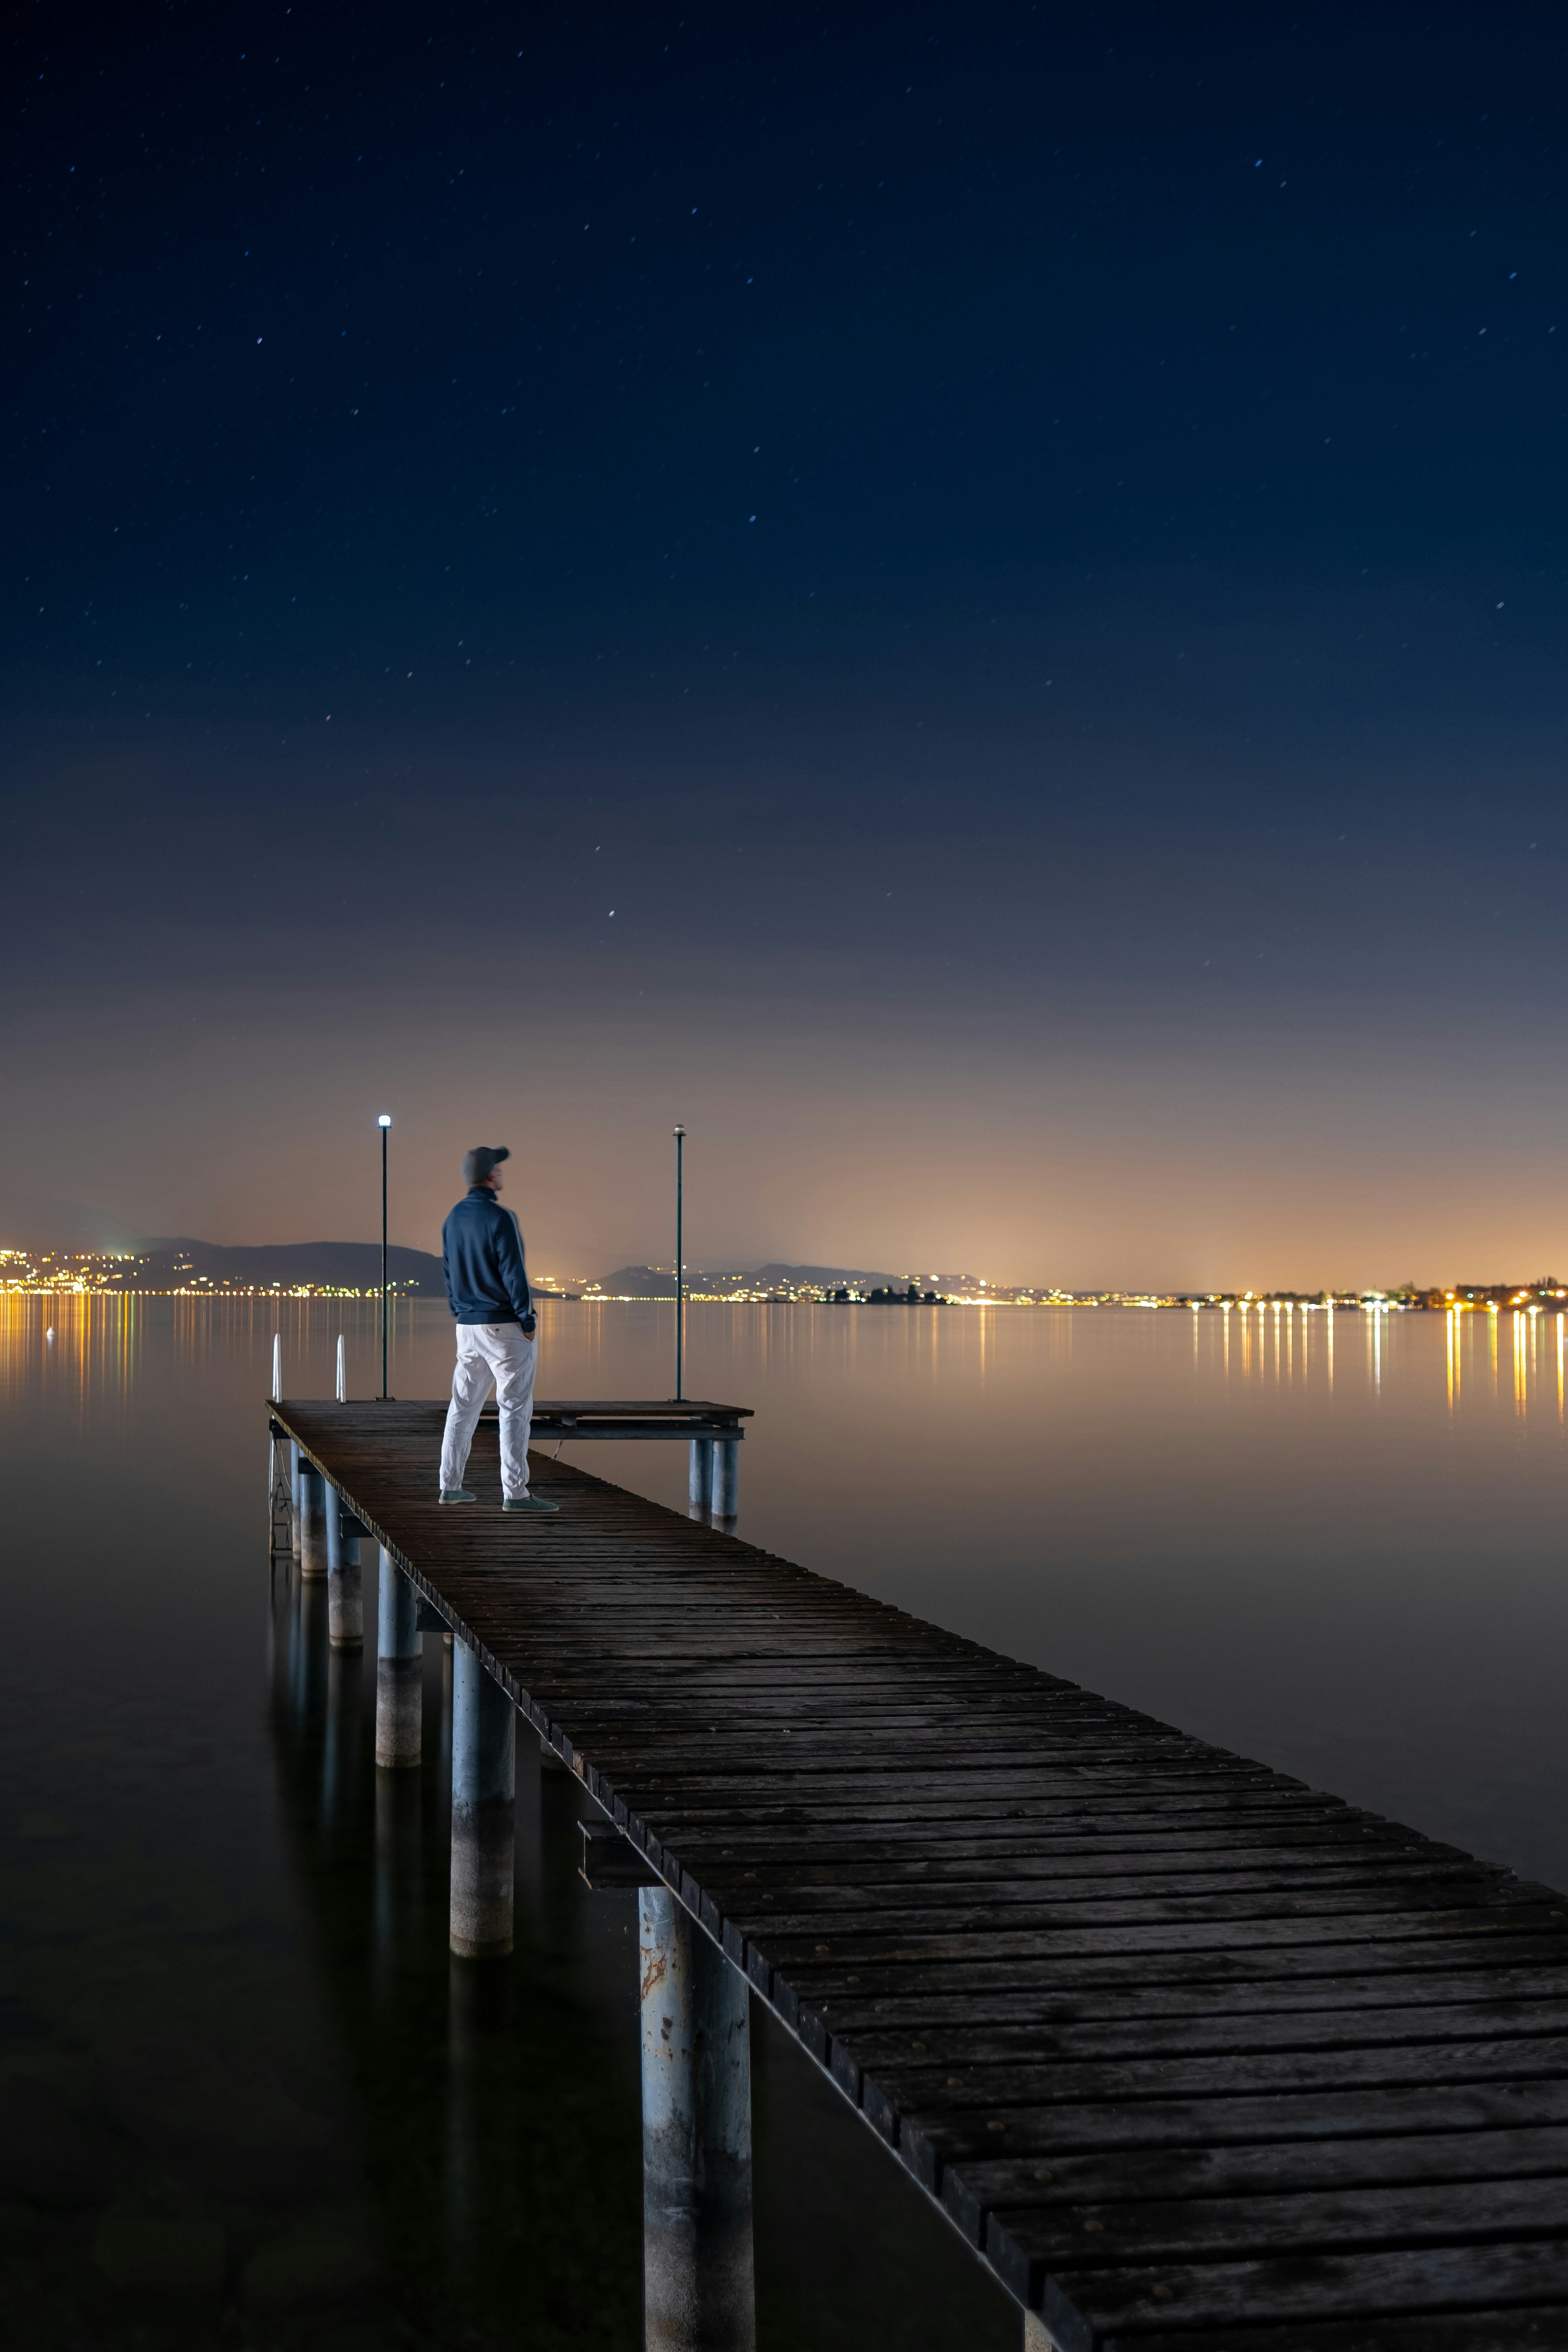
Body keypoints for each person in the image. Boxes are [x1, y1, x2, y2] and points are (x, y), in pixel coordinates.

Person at [438, 1146, 558, 1513]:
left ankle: (450, 1485)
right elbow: (514, 1274)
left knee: (462, 1408)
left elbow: (448, 1273)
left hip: (467, 1326)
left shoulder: (452, 1218)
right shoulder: (500, 1217)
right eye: (499, 1167)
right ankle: (515, 1493)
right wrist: (528, 1321)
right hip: (503, 1327)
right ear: (491, 1175)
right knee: (514, 1408)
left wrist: (459, 1311)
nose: (502, 1172)